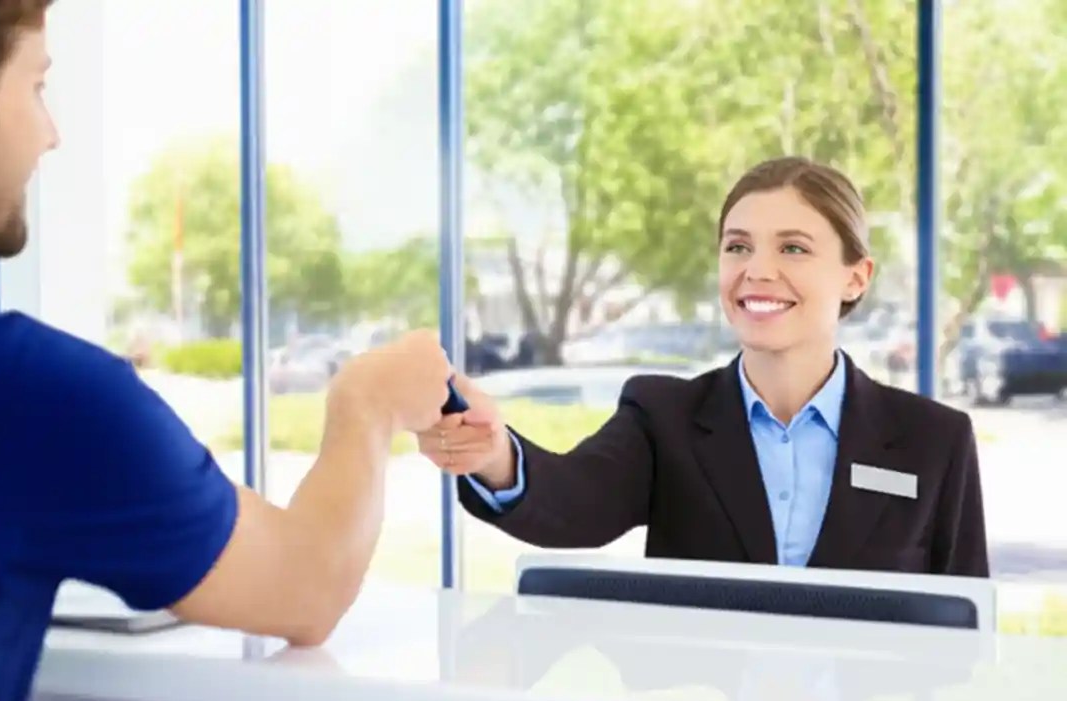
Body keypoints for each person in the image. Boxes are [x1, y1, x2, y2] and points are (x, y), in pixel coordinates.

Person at [0, 2, 452, 701]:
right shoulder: (16, 394)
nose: (50, 136)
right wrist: (369, 404)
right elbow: (308, 583)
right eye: (36, 86)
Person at [419, 156, 989, 578]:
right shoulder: (662, 419)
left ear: (856, 277)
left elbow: (966, 631)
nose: (757, 270)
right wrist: (494, 455)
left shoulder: (933, 442)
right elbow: (570, 504)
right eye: (738, 247)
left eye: (793, 248)